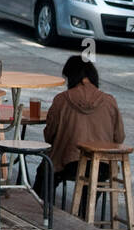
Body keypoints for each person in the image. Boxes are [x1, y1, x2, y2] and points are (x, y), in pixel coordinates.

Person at [38, 56, 126, 209]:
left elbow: (49, 136)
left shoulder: (61, 99)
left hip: (70, 164)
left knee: (46, 168)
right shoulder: (109, 101)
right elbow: (119, 137)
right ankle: (85, 209)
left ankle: (41, 211)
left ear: (71, 76)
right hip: (102, 165)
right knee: (95, 175)